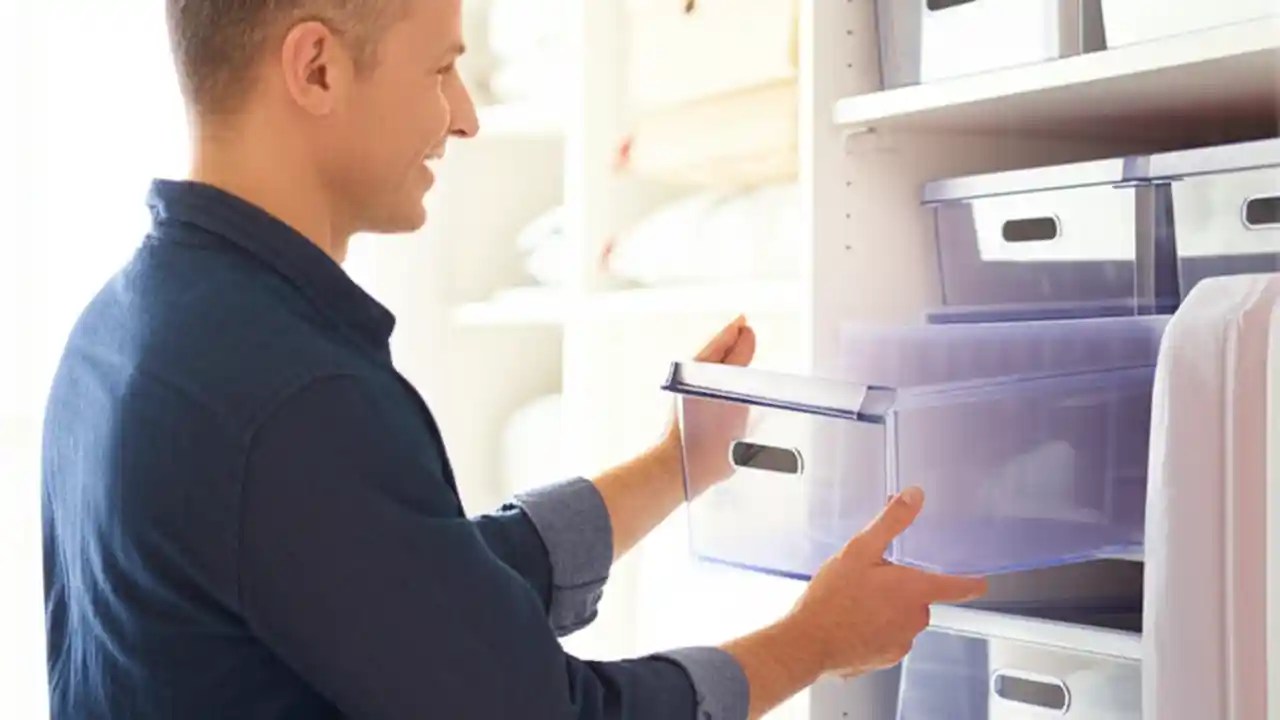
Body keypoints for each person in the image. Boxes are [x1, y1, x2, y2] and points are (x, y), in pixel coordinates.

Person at [40, 1, 988, 718]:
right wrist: (812, 644)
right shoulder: (292, 395)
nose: (465, 117)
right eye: (441, 70)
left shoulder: (124, 333)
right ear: (317, 68)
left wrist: (673, 469)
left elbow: (416, 593)